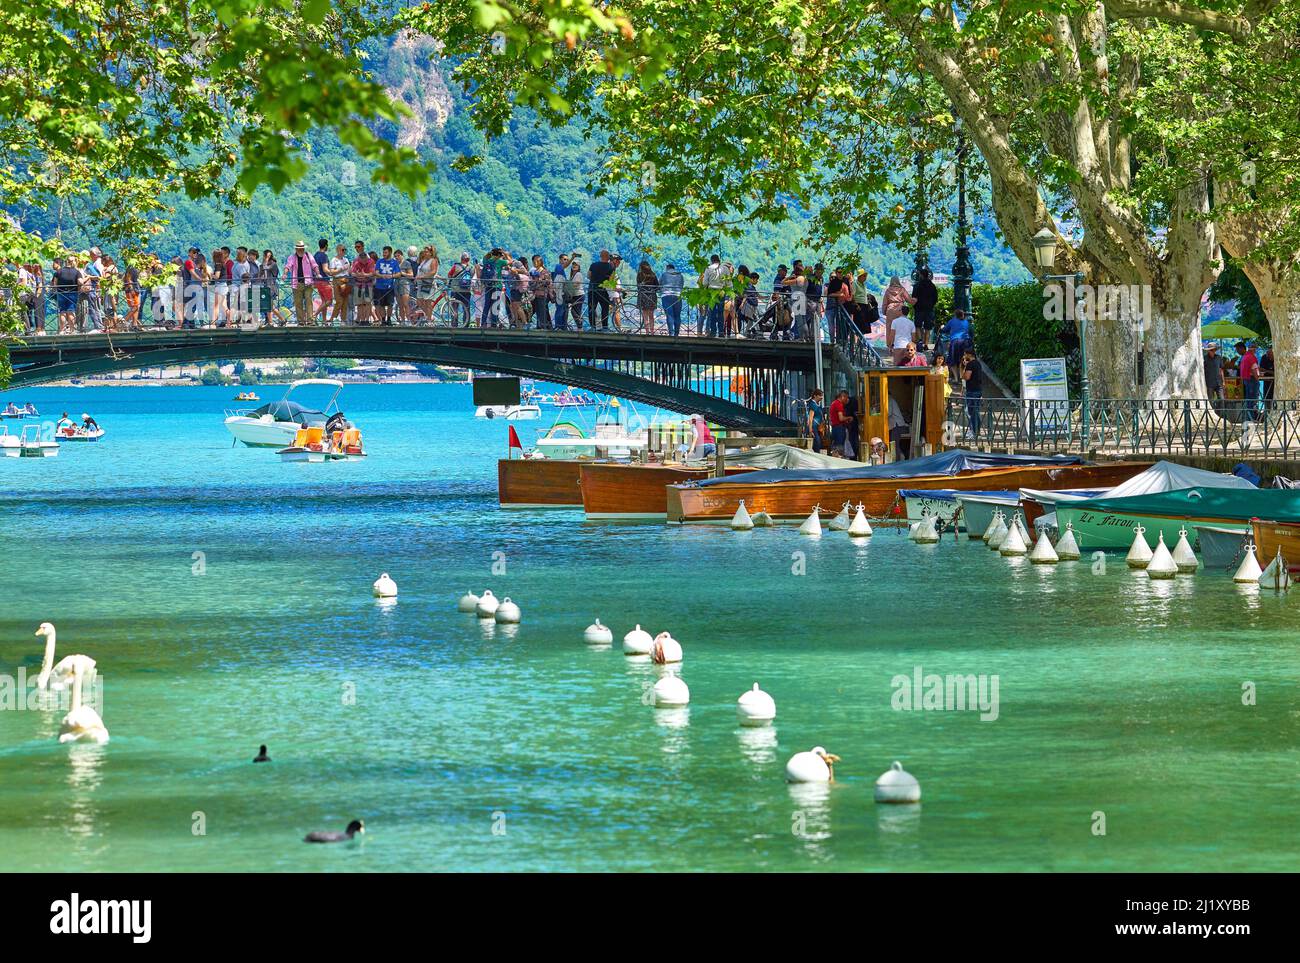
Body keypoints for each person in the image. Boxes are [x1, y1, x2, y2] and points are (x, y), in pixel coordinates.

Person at [285, 241, 318, 325]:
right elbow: (288, 266)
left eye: (302, 248)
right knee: (298, 303)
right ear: (296, 249)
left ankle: (310, 321)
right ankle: (301, 322)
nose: (300, 250)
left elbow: (314, 265)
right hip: (297, 283)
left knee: (308, 301)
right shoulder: (292, 257)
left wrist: (318, 273)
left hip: (308, 282)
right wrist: (285, 273)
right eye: (299, 248)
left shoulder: (308, 255)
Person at [374, 245, 401, 324]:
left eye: (385, 252)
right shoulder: (379, 261)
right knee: (381, 304)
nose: (384, 254)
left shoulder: (394, 262)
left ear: (390, 253)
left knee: (390, 304)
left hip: (390, 287)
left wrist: (391, 276)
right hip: (379, 286)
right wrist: (382, 276)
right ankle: (383, 319)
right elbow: (376, 272)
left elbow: (398, 274)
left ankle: (389, 319)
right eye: (383, 252)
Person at [961, 347, 984, 438]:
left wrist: (963, 373)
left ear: (969, 354)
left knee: (972, 412)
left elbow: (967, 377)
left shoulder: (970, 364)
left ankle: (974, 432)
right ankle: (977, 430)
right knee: (976, 411)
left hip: (971, 391)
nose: (964, 356)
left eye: (965, 354)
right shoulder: (978, 364)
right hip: (978, 390)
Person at [912, 267, 938, 347]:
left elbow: (914, 297)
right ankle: (926, 344)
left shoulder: (917, 285)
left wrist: (915, 306)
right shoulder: (932, 286)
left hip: (919, 308)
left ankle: (919, 341)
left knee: (918, 325)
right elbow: (935, 298)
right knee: (928, 327)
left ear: (921, 275)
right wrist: (931, 304)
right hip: (929, 309)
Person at [701, 254, 725, 338]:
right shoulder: (724, 268)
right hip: (721, 292)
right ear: (719, 260)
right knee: (721, 312)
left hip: (711, 292)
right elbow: (729, 283)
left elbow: (705, 283)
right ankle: (721, 332)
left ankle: (713, 332)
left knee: (712, 312)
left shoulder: (708, 268)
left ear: (712, 260)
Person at [350, 248, 376, 324]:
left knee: (368, 303)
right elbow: (352, 272)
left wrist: (365, 275)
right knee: (359, 304)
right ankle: (361, 320)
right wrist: (358, 275)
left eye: (365, 261)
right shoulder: (356, 262)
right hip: (358, 285)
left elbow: (373, 273)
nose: (363, 263)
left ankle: (367, 320)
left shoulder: (371, 261)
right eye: (362, 261)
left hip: (368, 285)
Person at [447, 251, 473, 327]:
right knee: (466, 308)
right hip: (467, 291)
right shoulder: (471, 268)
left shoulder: (455, 267)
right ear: (468, 260)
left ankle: (454, 324)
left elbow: (449, 275)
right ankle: (466, 325)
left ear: (461, 259)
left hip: (455, 290)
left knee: (454, 308)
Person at [328, 244, 351, 324]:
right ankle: (332, 319)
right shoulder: (334, 260)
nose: (344, 251)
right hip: (337, 280)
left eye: (345, 250)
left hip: (346, 280)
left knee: (345, 302)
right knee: (339, 301)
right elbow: (331, 272)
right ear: (338, 250)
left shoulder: (346, 259)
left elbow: (349, 270)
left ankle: (343, 320)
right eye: (342, 250)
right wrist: (341, 269)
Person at [658, 262, 683, 336]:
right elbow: (682, 285)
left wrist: (660, 291)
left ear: (667, 268)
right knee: (677, 315)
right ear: (673, 268)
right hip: (677, 296)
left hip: (666, 295)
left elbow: (660, 284)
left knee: (669, 314)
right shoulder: (680, 275)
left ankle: (671, 333)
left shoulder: (664, 274)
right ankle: (676, 333)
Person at [1238, 340, 1259, 421]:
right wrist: (1257, 379)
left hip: (1245, 379)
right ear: (1253, 349)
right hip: (1251, 380)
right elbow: (1254, 369)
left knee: (1248, 399)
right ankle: (1252, 418)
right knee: (1252, 399)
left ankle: (1248, 418)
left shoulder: (1245, 356)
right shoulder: (1251, 357)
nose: (1256, 350)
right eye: (1255, 349)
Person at [636, 261, 658, 333]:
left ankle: (647, 332)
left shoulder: (639, 275)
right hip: (652, 296)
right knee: (651, 315)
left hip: (642, 296)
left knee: (645, 315)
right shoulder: (653, 275)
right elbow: (657, 287)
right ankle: (652, 332)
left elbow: (638, 287)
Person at [828, 389, 850, 454]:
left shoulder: (833, 403)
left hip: (835, 428)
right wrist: (849, 418)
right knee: (839, 447)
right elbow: (841, 418)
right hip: (839, 428)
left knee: (835, 447)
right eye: (846, 397)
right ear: (842, 396)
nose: (847, 399)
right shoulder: (839, 404)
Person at [806, 388, 826, 453]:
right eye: (820, 395)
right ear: (815, 396)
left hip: (817, 427)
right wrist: (810, 430)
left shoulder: (816, 404)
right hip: (814, 427)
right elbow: (810, 418)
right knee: (817, 443)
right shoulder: (813, 404)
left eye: (822, 395)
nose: (821, 397)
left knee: (818, 443)